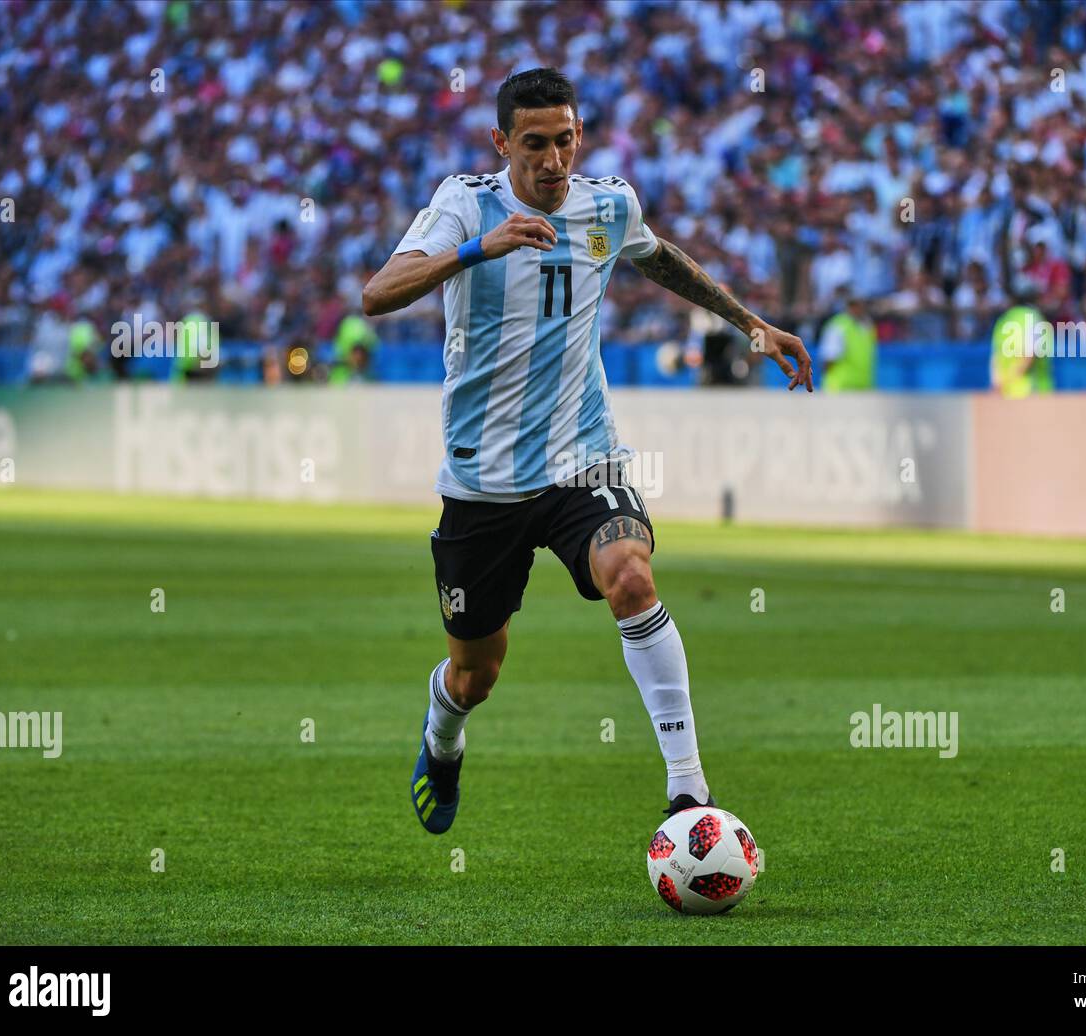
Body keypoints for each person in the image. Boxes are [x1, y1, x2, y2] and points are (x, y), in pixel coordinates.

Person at [362, 68, 812, 834]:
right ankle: (442, 740)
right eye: (533, 144)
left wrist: (749, 324)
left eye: (564, 140)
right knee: (476, 675)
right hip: (484, 481)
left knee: (631, 576)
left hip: (583, 457)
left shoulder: (608, 204)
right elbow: (379, 294)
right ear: (501, 143)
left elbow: (659, 255)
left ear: (581, 137)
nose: (552, 160)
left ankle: (689, 793)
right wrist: (478, 248)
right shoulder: (463, 202)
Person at [990, 290, 1054, 398]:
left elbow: (996, 357)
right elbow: (1029, 355)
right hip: (1032, 390)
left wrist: (998, 383)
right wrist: (1011, 378)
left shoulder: (1002, 321)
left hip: (1005, 392)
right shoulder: (1034, 318)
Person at [817, 296, 877, 392]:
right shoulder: (838, 326)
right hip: (840, 388)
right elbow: (829, 359)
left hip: (862, 388)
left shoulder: (867, 326)